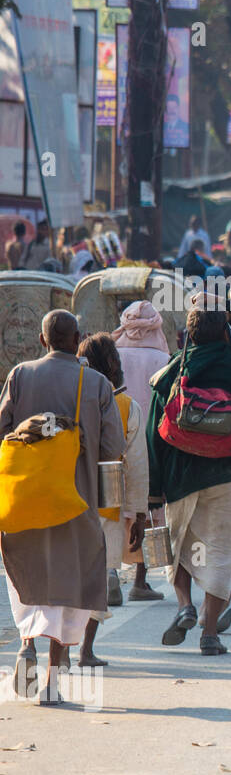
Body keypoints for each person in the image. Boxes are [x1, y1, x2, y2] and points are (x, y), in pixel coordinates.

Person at [2, 312, 125, 702]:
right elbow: (113, 449)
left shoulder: (20, 375)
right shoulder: (98, 384)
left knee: (29, 578)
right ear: (78, 339)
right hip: (77, 504)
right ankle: (52, 685)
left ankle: (26, 643)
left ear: (42, 340)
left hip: (23, 503)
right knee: (69, 591)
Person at [149, 294, 231, 657]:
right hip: (230, 472)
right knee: (219, 552)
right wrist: (228, 307)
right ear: (225, 331)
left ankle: (185, 604)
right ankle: (210, 633)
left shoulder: (172, 372)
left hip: (181, 476)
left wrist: (154, 493)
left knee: (182, 547)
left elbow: (154, 437)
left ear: (188, 333)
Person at [76, 333, 148, 667]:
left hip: (68, 496)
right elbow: (135, 465)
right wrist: (139, 513)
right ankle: (86, 649)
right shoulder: (126, 406)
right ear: (114, 365)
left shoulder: (68, 398)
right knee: (99, 576)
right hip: (108, 498)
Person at [111, 301, 171, 602]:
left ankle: (109, 573)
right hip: (150, 444)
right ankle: (139, 581)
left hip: (112, 443)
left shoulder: (112, 353)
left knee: (110, 505)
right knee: (145, 507)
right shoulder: (163, 358)